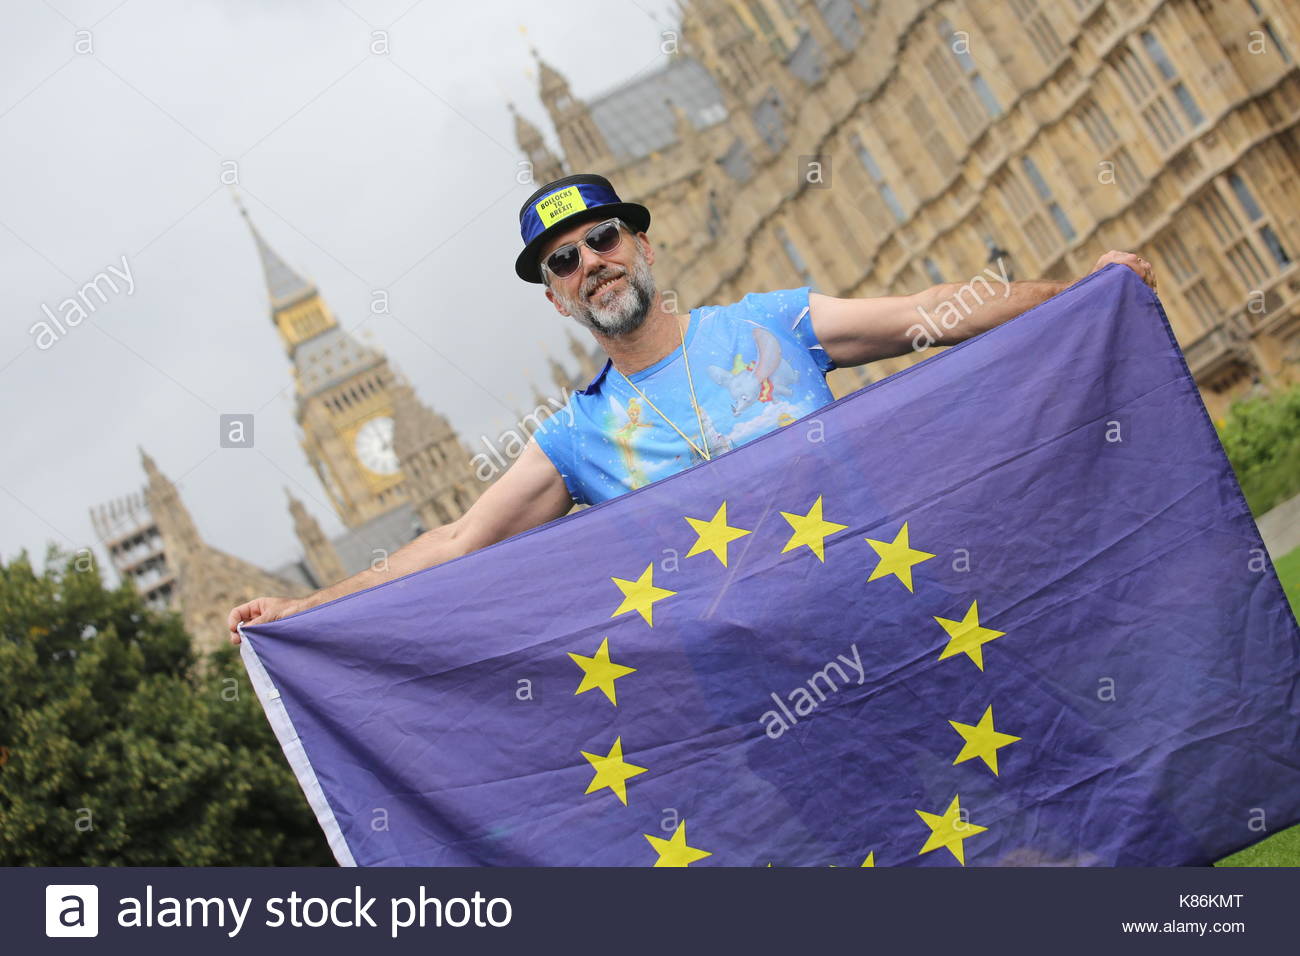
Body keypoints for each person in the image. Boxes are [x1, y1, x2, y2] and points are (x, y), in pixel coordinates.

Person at [228, 173, 1157, 643]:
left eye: (601, 238)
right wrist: (309, 607)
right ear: (555, 298)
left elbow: (932, 313)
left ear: (641, 243)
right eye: (563, 261)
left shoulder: (773, 326)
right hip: (770, 686)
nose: (588, 261)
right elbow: (452, 544)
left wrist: (1079, 292)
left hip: (907, 612)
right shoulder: (577, 435)